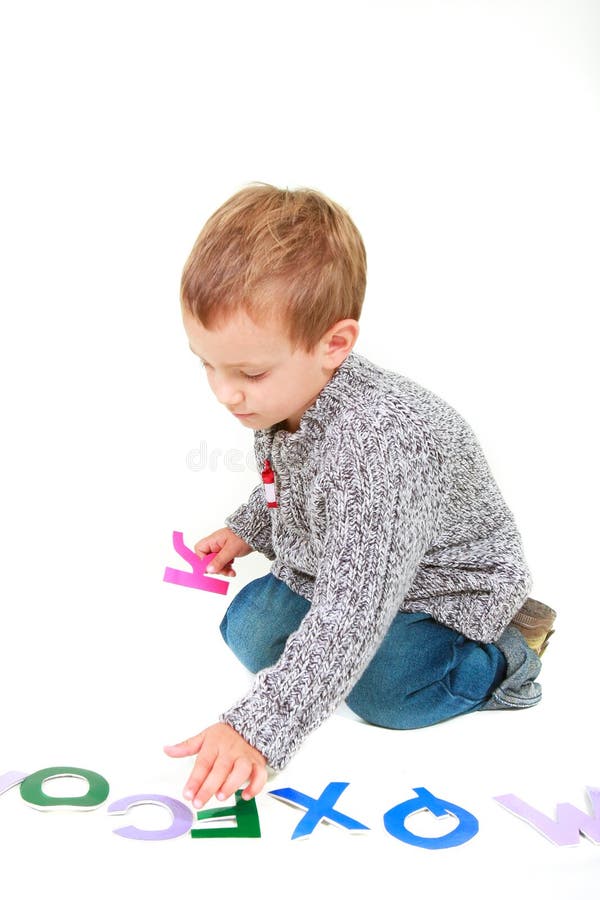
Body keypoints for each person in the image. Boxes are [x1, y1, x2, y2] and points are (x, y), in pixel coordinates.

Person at [164, 183, 556, 811]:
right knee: (250, 629)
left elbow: (353, 611)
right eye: (207, 365)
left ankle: (507, 656)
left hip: (443, 591)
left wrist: (257, 730)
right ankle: (334, 665)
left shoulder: (381, 447)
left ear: (335, 345)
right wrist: (249, 528)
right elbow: (292, 486)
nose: (226, 393)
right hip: (352, 566)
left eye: (249, 373)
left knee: (387, 693)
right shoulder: (288, 397)